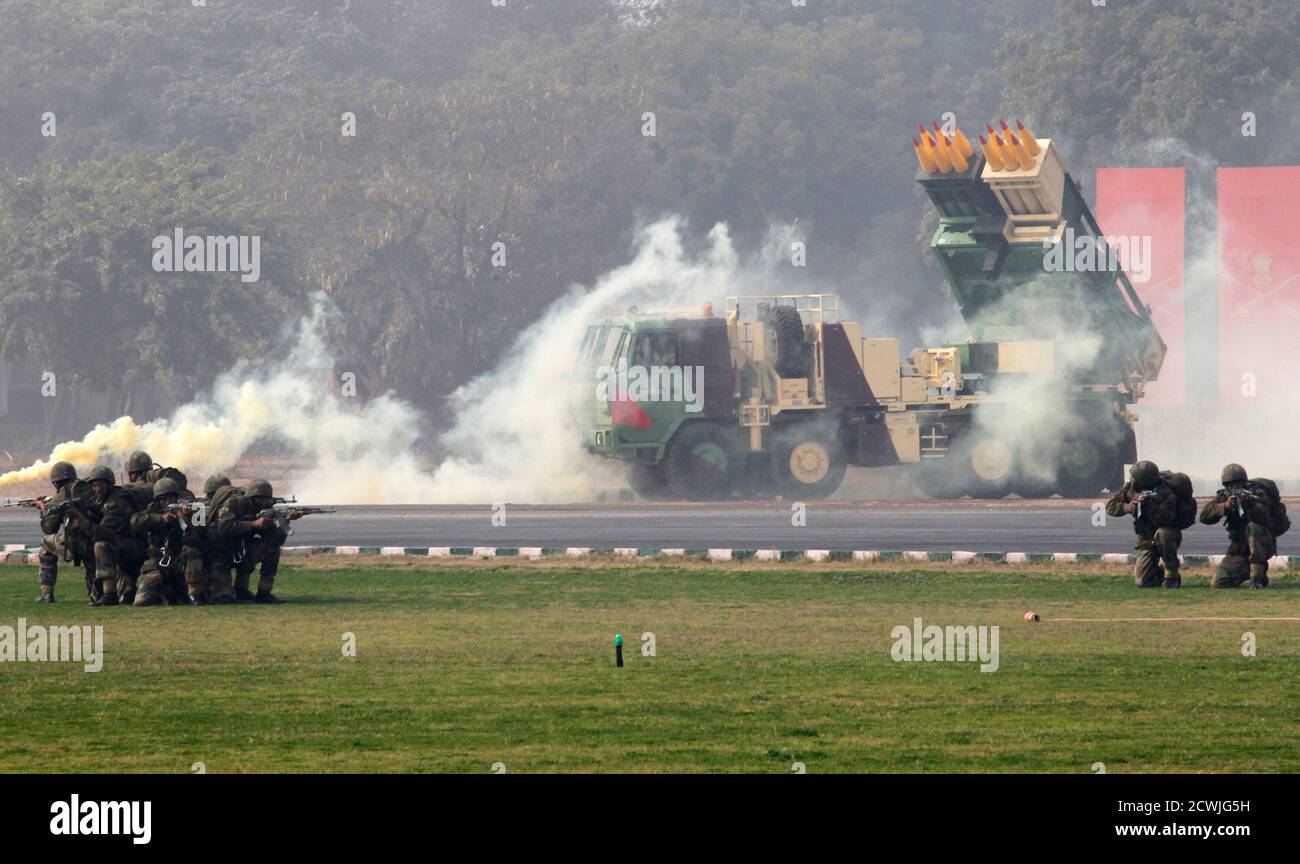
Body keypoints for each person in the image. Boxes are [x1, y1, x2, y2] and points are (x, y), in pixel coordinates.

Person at [1199, 463, 1288, 589]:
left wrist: (1249, 505)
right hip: (1239, 550)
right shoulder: (1224, 496)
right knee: (1218, 582)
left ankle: (1257, 577)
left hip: (1262, 544)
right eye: (1230, 485)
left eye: (1237, 483)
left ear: (1243, 482)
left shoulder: (1258, 494)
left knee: (1253, 527)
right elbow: (1204, 516)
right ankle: (1246, 571)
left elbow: (1265, 517)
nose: (1234, 487)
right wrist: (1225, 506)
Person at [68, 465, 146, 606]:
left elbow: (102, 533)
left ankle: (109, 594)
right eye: (94, 486)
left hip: (135, 547)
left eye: (101, 485)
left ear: (109, 484)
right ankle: (120, 591)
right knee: (126, 597)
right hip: (124, 544)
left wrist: (81, 518)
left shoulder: (116, 502)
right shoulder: (105, 499)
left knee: (101, 545)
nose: (97, 489)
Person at [214, 479, 301, 603]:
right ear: (252, 498)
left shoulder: (266, 511)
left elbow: (276, 540)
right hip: (223, 548)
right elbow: (224, 527)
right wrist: (254, 524)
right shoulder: (235, 503)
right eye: (262, 498)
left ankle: (264, 593)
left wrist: (285, 521)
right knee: (223, 597)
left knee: (272, 549)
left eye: (268, 499)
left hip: (243, 549)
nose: (266, 502)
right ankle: (236, 591)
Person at [1106, 460, 1183, 588]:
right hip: (1145, 538)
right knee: (1143, 582)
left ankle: (1172, 574)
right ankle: (1158, 573)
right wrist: (1129, 507)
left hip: (1167, 535)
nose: (1132, 480)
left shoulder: (1167, 493)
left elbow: (1164, 520)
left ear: (1144, 480)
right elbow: (1110, 507)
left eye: (1135, 478)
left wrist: (1149, 505)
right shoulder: (1131, 488)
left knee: (1163, 534)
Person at [33, 462, 95, 603]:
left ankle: (46, 593)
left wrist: (43, 509)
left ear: (56, 482)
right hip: (95, 537)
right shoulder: (87, 488)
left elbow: (49, 528)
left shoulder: (64, 493)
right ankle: (97, 594)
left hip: (77, 542)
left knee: (45, 543)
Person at [129, 478, 191, 606]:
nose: (168, 502)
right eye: (163, 499)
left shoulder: (185, 511)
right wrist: (160, 519)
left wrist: (187, 519)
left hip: (181, 563)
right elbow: (135, 521)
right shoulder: (153, 511)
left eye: (171, 498)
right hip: (157, 564)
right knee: (141, 601)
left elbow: (196, 538)